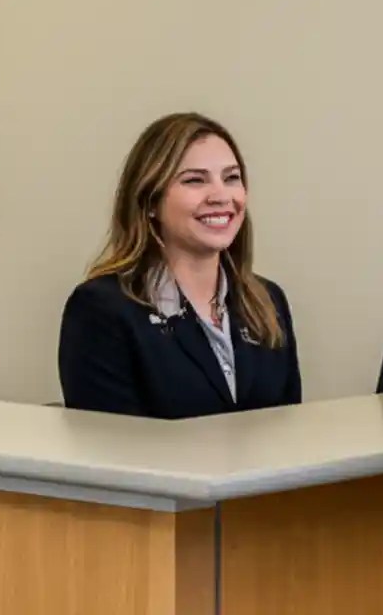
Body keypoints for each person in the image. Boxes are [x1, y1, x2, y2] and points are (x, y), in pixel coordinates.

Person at [58, 112, 301, 419]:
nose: (221, 195)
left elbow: (290, 435)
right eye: (195, 180)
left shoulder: (268, 300)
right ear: (150, 202)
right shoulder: (102, 310)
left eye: (231, 178)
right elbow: (111, 450)